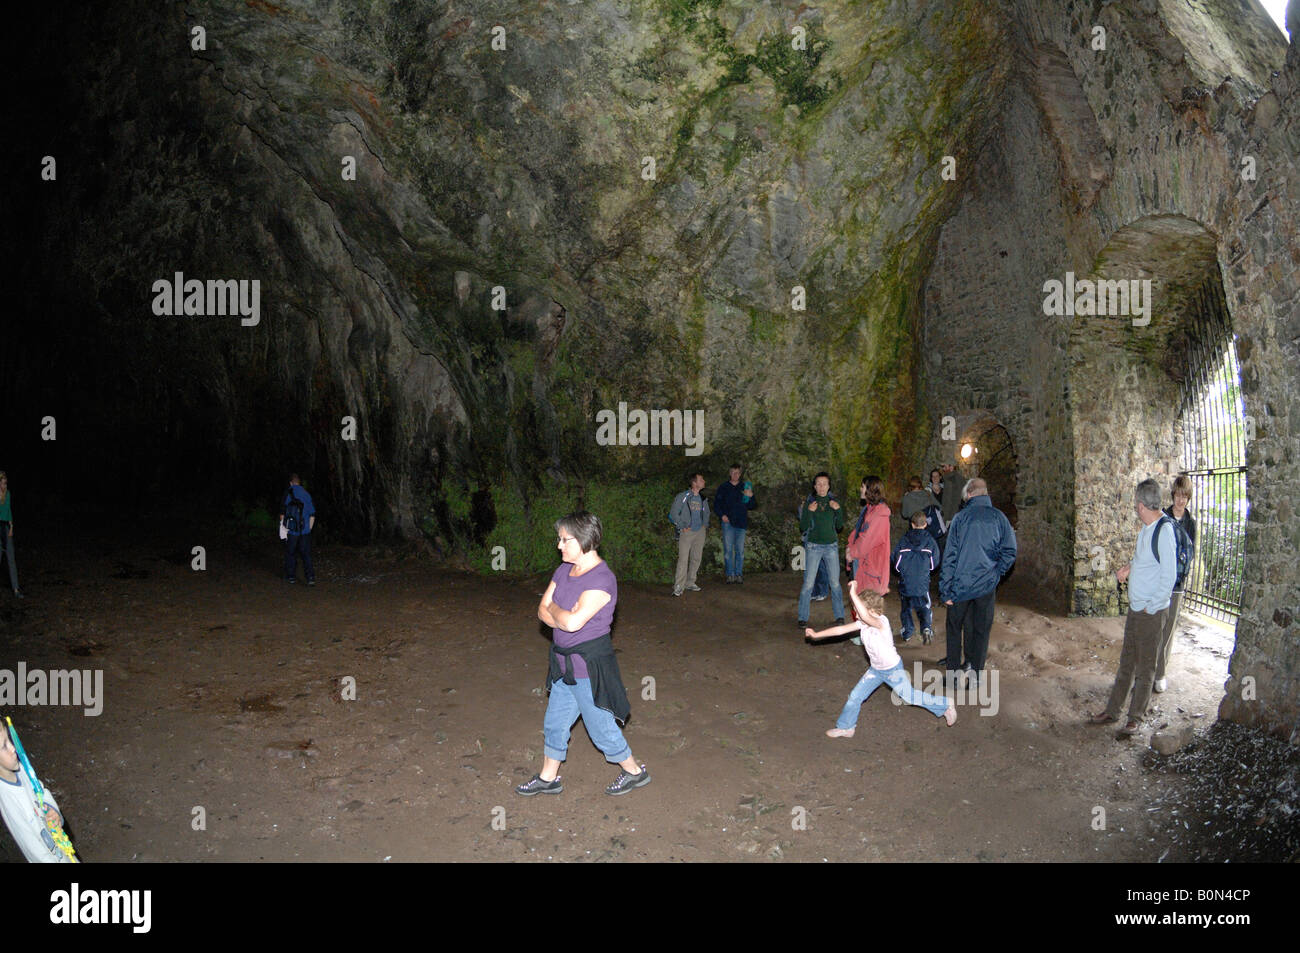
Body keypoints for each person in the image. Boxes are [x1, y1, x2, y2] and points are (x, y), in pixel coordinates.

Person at [516, 511, 648, 797]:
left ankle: (634, 772)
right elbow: (543, 611)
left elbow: (572, 623)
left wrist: (559, 613)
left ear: (585, 540)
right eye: (559, 539)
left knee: (601, 729)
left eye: (565, 540)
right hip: (564, 666)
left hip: (589, 668)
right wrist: (560, 613)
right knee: (554, 723)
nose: (559, 546)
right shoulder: (564, 570)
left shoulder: (602, 578)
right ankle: (548, 778)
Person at [806, 582, 956, 735]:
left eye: (857, 610)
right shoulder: (862, 623)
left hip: (892, 669)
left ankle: (945, 704)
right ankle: (846, 727)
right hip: (876, 670)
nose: (855, 614)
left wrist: (852, 592)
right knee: (855, 696)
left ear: (871, 610)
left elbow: (864, 615)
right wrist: (816, 635)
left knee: (909, 696)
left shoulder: (881, 622)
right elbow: (840, 630)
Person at [1091, 479, 1178, 737]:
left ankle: (1135, 717)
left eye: (1135, 504)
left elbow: (1169, 577)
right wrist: (1129, 568)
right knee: (1127, 661)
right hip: (1137, 609)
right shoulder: (1146, 528)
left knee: (1146, 667)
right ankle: (1113, 710)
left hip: (1150, 612)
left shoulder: (1164, 532)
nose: (1135, 508)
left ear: (1141, 505)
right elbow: (1145, 560)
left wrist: (1152, 607)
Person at [938, 477, 1017, 687]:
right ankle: (974, 675)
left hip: (960, 586)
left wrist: (945, 589)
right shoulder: (999, 518)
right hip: (986, 586)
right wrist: (996, 574)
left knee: (955, 628)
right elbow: (1010, 551)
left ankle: (954, 676)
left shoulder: (960, 518)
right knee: (980, 630)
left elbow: (950, 556)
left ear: (969, 494)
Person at [0, 721, 72, 862]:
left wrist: (52, 810)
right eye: (4, 746)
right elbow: (32, 848)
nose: (13, 748)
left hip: (61, 846)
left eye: (9, 739)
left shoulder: (20, 768)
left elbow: (40, 790)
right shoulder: (9, 801)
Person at [1154, 475, 1197, 693]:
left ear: (1189, 498)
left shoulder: (1191, 524)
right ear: (1173, 495)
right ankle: (1146, 671)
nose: (1181, 500)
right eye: (1178, 495)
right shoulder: (1162, 518)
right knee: (1153, 626)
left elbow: (1191, 554)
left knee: (1168, 628)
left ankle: (1160, 673)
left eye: (1185, 496)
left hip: (1177, 583)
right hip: (1159, 581)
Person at [797, 473, 845, 627]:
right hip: (813, 546)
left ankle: (840, 616)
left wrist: (838, 511)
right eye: (818, 484)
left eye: (824, 484)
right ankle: (803, 617)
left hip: (831, 546)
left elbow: (839, 526)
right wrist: (809, 511)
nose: (822, 487)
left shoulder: (834, 503)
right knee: (808, 583)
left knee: (835, 583)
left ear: (829, 486)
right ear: (814, 486)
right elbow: (803, 527)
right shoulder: (810, 504)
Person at [891, 510, 938, 643]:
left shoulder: (903, 540)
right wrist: (925, 570)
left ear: (912, 524)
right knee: (924, 606)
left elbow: (896, 561)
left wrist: (903, 572)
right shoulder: (930, 541)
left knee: (906, 608)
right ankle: (926, 627)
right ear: (925, 524)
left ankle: (908, 632)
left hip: (906, 582)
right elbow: (935, 562)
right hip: (922, 582)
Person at [846, 474, 891, 602]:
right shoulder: (869, 509)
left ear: (870, 490)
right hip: (863, 563)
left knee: (868, 608)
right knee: (861, 606)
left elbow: (866, 541)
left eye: (863, 486)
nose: (860, 489)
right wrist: (849, 546)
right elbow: (857, 531)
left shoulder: (880, 514)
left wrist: (852, 552)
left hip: (870, 567)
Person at [669, 473, 710, 596]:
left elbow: (706, 513)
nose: (703, 481)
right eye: (701, 479)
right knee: (683, 559)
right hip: (687, 532)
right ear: (694, 483)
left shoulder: (703, 498)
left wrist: (705, 525)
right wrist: (681, 526)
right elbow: (673, 514)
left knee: (696, 558)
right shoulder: (683, 496)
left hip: (700, 532)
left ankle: (690, 582)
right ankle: (678, 586)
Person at [714, 464, 756, 584]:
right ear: (729, 473)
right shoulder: (723, 487)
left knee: (740, 551)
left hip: (741, 523)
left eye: (737, 472)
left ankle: (738, 574)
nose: (735, 475)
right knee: (728, 551)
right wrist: (722, 515)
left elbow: (752, 506)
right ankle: (730, 574)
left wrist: (751, 496)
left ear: (740, 474)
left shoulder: (745, 486)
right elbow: (717, 504)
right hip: (728, 523)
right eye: (733, 472)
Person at [280, 473, 316, 586]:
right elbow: (312, 514)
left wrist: (283, 528)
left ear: (291, 483)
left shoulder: (288, 493)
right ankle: (310, 578)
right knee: (306, 554)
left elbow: (282, 512)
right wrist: (309, 528)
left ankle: (291, 577)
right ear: (299, 483)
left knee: (290, 553)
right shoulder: (306, 494)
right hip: (304, 530)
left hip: (291, 530)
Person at [0, 472, 23, 598]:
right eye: (2, 483)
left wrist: (11, 527)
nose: (4, 486)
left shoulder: (7, 494)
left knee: (11, 559)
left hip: (6, 526)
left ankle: (16, 589)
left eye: (5, 483)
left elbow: (8, 510)